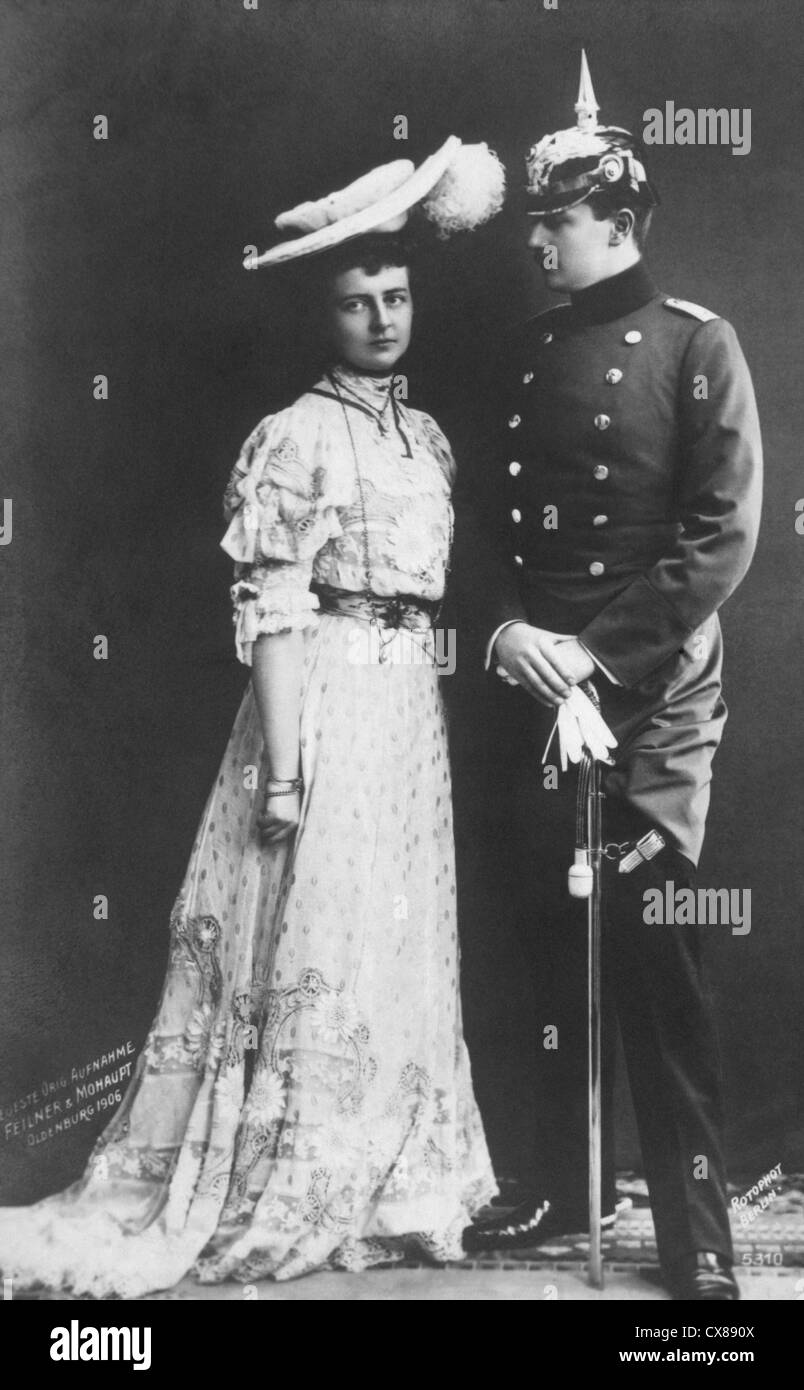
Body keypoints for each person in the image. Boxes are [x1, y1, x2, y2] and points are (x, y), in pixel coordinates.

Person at [0, 139, 506, 1296]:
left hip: (404, 710)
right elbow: (274, 606)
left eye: (396, 295)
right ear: (321, 314)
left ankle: (387, 1184)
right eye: (356, 301)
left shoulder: (423, 438)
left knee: (391, 938)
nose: (382, 317)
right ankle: (286, 1176)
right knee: (308, 934)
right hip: (320, 700)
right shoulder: (299, 435)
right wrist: (283, 771)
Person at [456, 54, 762, 1300]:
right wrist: (509, 630)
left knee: (658, 966)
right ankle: (552, 1190)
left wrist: (598, 653)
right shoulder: (526, 356)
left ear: (617, 224)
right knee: (537, 948)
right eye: (533, 218)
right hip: (536, 689)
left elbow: (721, 536)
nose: (538, 241)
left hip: (650, 695)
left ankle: (699, 1249)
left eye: (558, 221)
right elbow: (475, 522)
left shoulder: (701, 347)